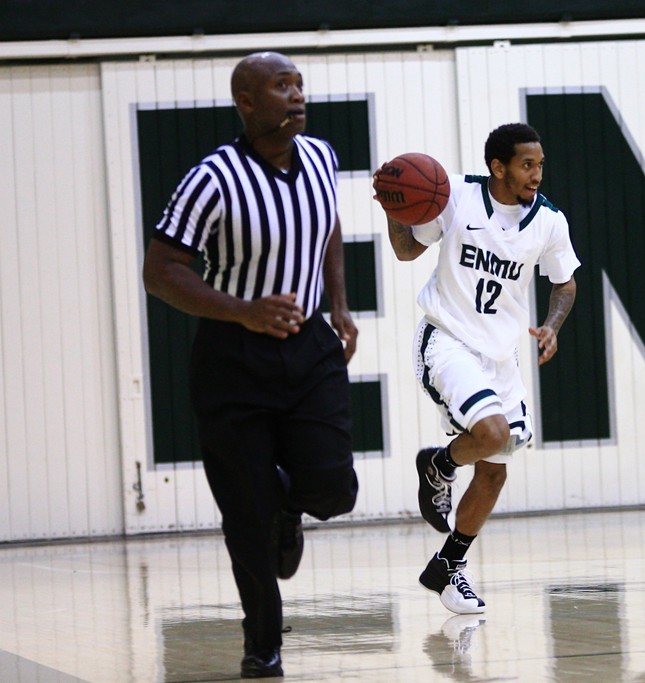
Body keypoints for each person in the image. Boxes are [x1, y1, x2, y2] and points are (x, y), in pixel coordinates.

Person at [142, 51, 360, 679]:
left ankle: (289, 506)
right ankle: (262, 643)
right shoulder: (211, 178)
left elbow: (329, 227)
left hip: (310, 347)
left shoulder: (320, 156)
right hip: (234, 357)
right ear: (245, 100)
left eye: (298, 84)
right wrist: (244, 311)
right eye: (279, 86)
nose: (295, 96)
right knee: (244, 515)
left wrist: (339, 305)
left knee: (335, 492)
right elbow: (161, 272)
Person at [377, 123, 580, 614]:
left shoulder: (550, 220)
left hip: (500, 355)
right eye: (526, 164)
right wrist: (392, 205)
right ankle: (439, 465)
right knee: (490, 433)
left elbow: (565, 284)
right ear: (499, 166)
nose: (536, 173)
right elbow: (406, 250)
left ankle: (447, 568)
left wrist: (552, 325)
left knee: (493, 473)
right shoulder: (455, 197)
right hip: (447, 340)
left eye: (540, 165)